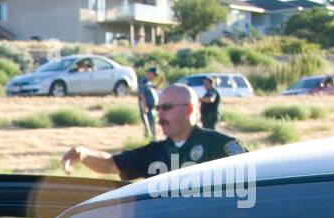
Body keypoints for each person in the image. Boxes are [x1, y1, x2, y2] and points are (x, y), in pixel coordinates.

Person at [60, 82, 245, 180]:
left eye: (166, 107)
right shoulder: (154, 152)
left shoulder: (220, 146)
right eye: (158, 108)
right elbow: (111, 164)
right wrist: (83, 154)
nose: (160, 114)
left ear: (189, 110)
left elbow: (253, 183)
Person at [137, 67, 160, 139]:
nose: (154, 77)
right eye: (154, 75)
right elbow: (142, 95)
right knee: (148, 125)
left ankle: (153, 138)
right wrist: (145, 106)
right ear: (149, 73)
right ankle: (149, 139)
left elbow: (155, 88)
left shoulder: (149, 83)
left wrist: (160, 82)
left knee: (152, 123)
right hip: (146, 106)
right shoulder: (143, 82)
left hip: (151, 107)